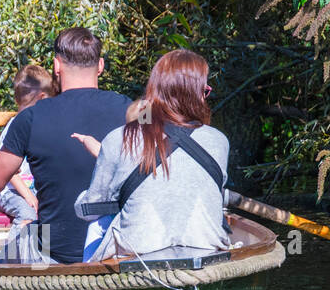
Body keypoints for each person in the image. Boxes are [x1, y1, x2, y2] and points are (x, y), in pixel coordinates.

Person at [0, 28, 131, 264]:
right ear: (100, 65)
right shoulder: (129, 110)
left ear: (56, 66)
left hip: (53, 252)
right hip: (113, 247)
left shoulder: (30, 118)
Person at [72, 48, 231, 262]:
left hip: (137, 250)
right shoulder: (219, 141)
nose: (205, 98)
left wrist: (80, 201)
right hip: (206, 246)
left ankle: (88, 277)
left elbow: (89, 209)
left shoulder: (118, 138)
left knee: (97, 222)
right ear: (195, 94)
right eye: (205, 92)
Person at [0, 64, 55, 225]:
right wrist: (28, 195)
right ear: (42, 99)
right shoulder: (15, 126)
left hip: (36, 189)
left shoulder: (42, 126)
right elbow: (7, 171)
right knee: (29, 215)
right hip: (13, 192)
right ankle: (16, 250)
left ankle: (43, 249)